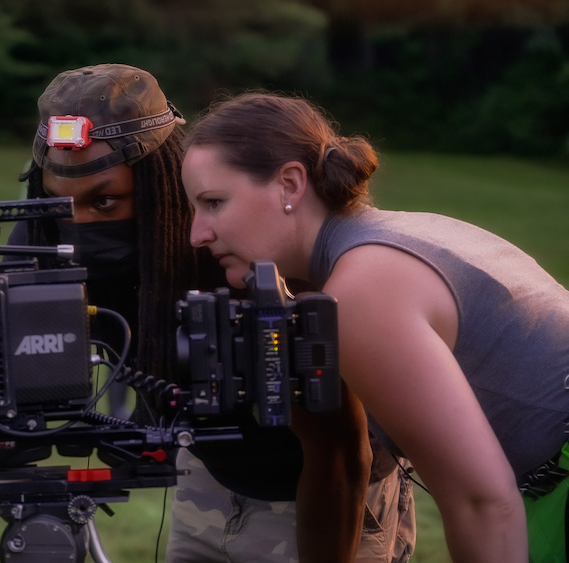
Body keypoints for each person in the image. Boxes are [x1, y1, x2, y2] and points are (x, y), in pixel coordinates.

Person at [14, 63, 416, 562]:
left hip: (323, 495)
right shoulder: (53, 239)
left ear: (159, 186)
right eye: (61, 205)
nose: (78, 227)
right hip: (206, 480)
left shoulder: (244, 255)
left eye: (106, 202)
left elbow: (340, 453)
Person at [181, 90, 569, 563]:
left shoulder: (362, 291)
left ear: (289, 184)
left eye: (215, 202)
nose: (197, 234)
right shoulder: (394, 237)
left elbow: (483, 503)